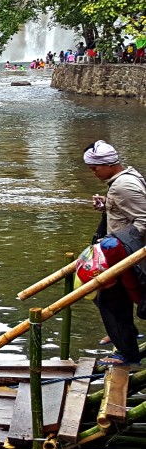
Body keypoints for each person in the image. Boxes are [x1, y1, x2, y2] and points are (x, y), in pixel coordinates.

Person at [84, 141, 146, 366]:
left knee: (109, 300)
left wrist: (119, 244)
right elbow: (129, 211)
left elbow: (144, 219)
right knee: (106, 298)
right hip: (120, 253)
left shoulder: (123, 186)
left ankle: (126, 353)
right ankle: (122, 334)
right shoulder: (124, 179)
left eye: (95, 168)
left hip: (124, 255)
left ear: (108, 164)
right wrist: (107, 206)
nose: (93, 172)